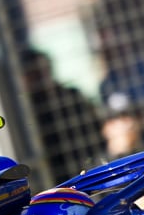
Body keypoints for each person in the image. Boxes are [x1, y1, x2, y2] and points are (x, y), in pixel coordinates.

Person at [22, 48, 106, 177]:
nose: (42, 77)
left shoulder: (71, 96)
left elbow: (95, 132)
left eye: (44, 71)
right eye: (36, 73)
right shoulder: (26, 110)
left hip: (84, 166)